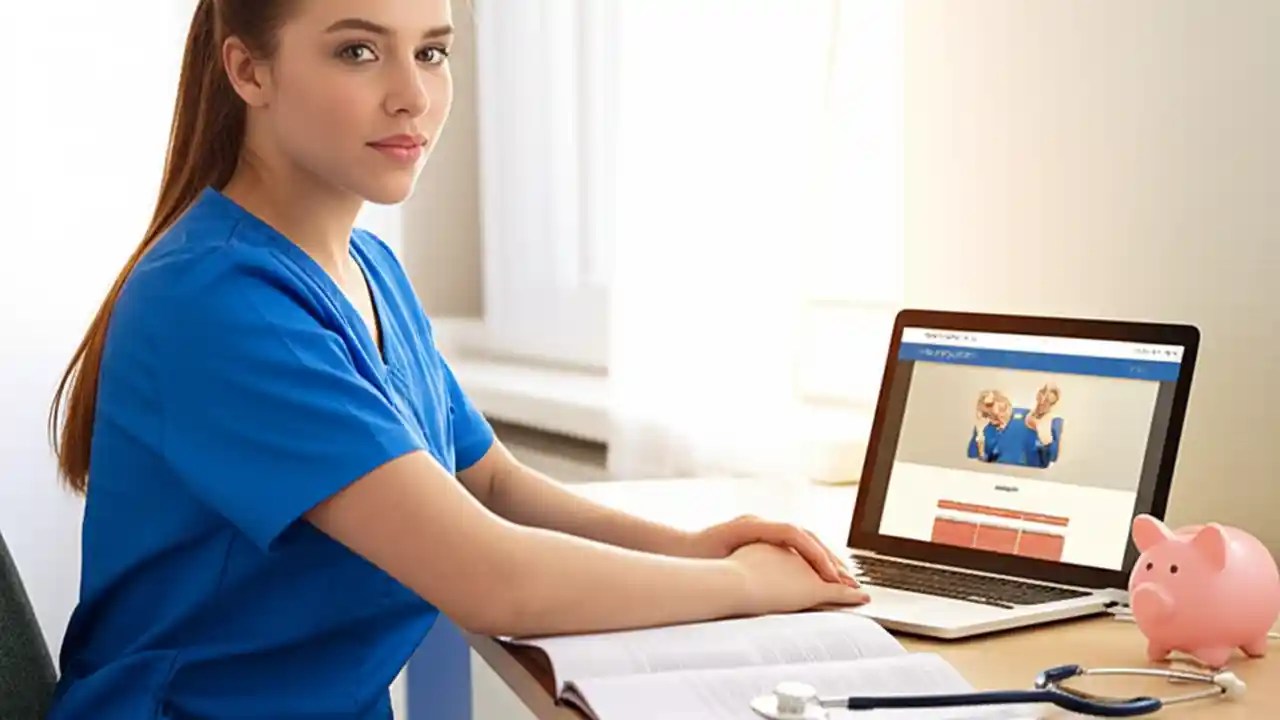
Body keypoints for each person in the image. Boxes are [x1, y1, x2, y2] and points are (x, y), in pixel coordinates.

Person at [43, 2, 867, 718]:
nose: (412, 94)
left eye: (431, 51)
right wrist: (747, 589)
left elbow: (494, 484)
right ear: (249, 70)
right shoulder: (218, 302)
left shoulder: (370, 271)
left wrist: (692, 547)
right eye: (358, 51)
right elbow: (489, 579)